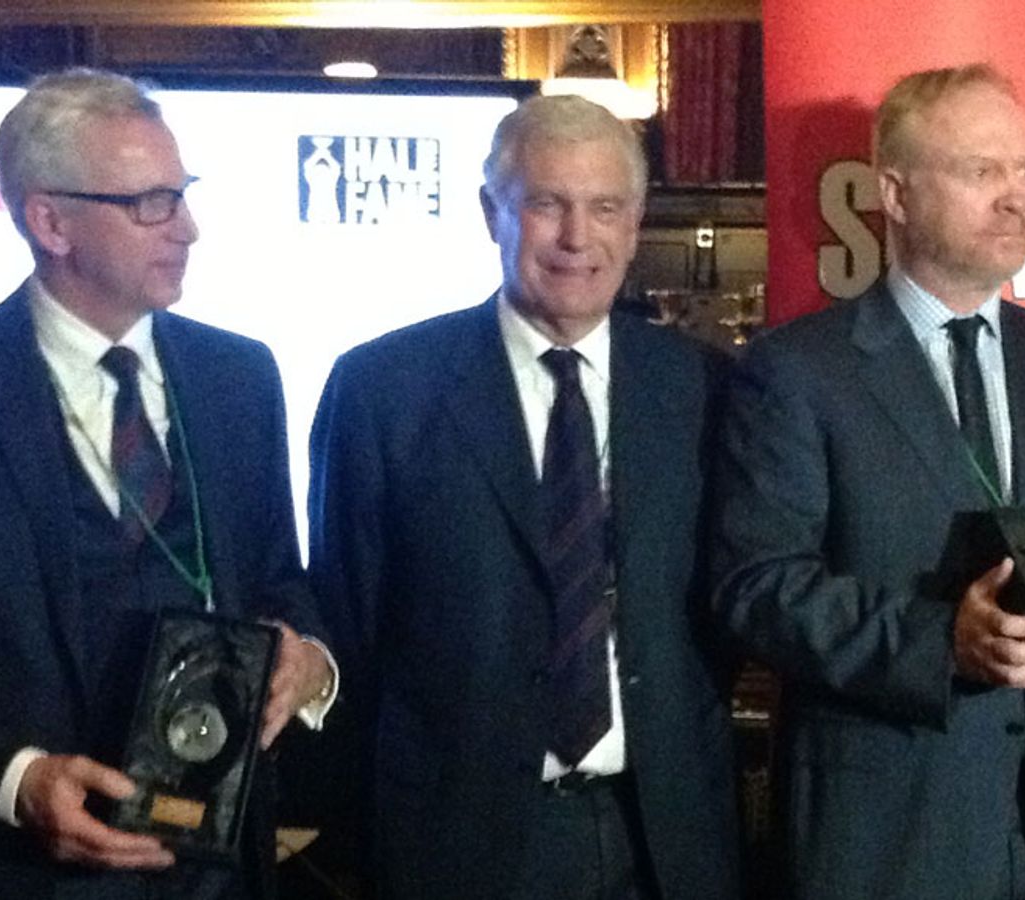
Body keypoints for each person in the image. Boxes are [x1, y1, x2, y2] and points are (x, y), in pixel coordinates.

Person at [0, 68, 334, 900]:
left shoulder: (238, 376)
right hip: (9, 871)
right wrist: (18, 782)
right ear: (51, 221)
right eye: (151, 203)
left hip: (218, 875)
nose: (188, 228)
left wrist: (308, 663)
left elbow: (279, 583)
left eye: (182, 194)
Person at [712, 64, 1025, 900]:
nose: (1016, 198)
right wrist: (939, 641)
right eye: (982, 171)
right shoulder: (796, 373)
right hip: (891, 838)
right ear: (895, 194)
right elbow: (755, 587)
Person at [307, 94, 740, 900]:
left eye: (605, 208)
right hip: (456, 845)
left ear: (636, 223)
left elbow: (722, 610)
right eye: (547, 204)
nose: (578, 237)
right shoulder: (383, 389)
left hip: (666, 837)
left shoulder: (701, 388)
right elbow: (349, 623)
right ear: (490, 214)